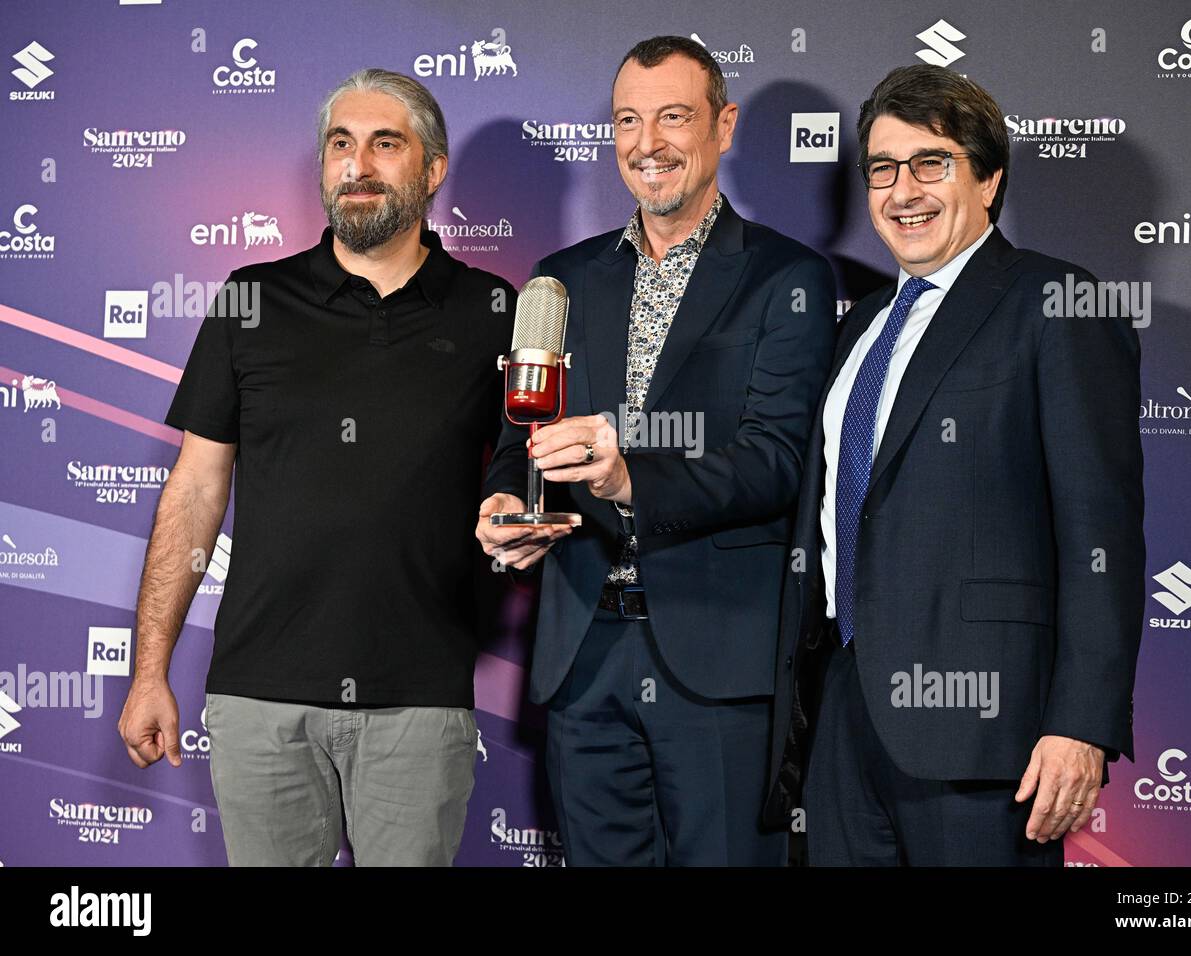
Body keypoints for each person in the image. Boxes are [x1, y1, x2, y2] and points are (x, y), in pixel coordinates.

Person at [117, 68, 513, 866]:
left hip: (419, 696)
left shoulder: (494, 312)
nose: (357, 165)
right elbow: (194, 490)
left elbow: (521, 475)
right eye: (340, 144)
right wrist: (147, 671)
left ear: (433, 170)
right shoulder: (248, 300)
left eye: (385, 144)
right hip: (258, 695)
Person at [764, 64, 1144, 866]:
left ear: (989, 178)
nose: (903, 191)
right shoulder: (861, 324)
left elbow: (1099, 532)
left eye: (931, 163)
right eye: (881, 169)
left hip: (987, 733)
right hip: (843, 712)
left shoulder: (1057, 303)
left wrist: (1081, 723)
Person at [476, 35, 835, 866]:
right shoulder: (561, 279)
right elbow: (517, 444)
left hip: (716, 661)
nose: (648, 144)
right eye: (629, 121)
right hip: (584, 657)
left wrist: (634, 475)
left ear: (724, 126)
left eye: (674, 117)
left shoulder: (789, 277)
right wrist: (502, 507)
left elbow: (778, 461)